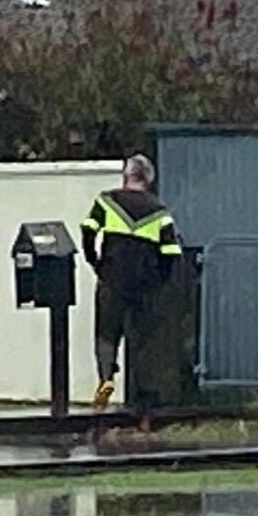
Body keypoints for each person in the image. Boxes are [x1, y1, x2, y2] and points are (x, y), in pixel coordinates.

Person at [78, 154, 178, 410]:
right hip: (145, 284)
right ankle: (143, 394)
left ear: (126, 176)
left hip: (112, 278)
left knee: (106, 333)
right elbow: (171, 253)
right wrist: (159, 280)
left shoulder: (108, 201)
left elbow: (88, 229)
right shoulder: (160, 212)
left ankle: (106, 378)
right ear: (149, 180)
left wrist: (95, 261)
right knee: (142, 338)